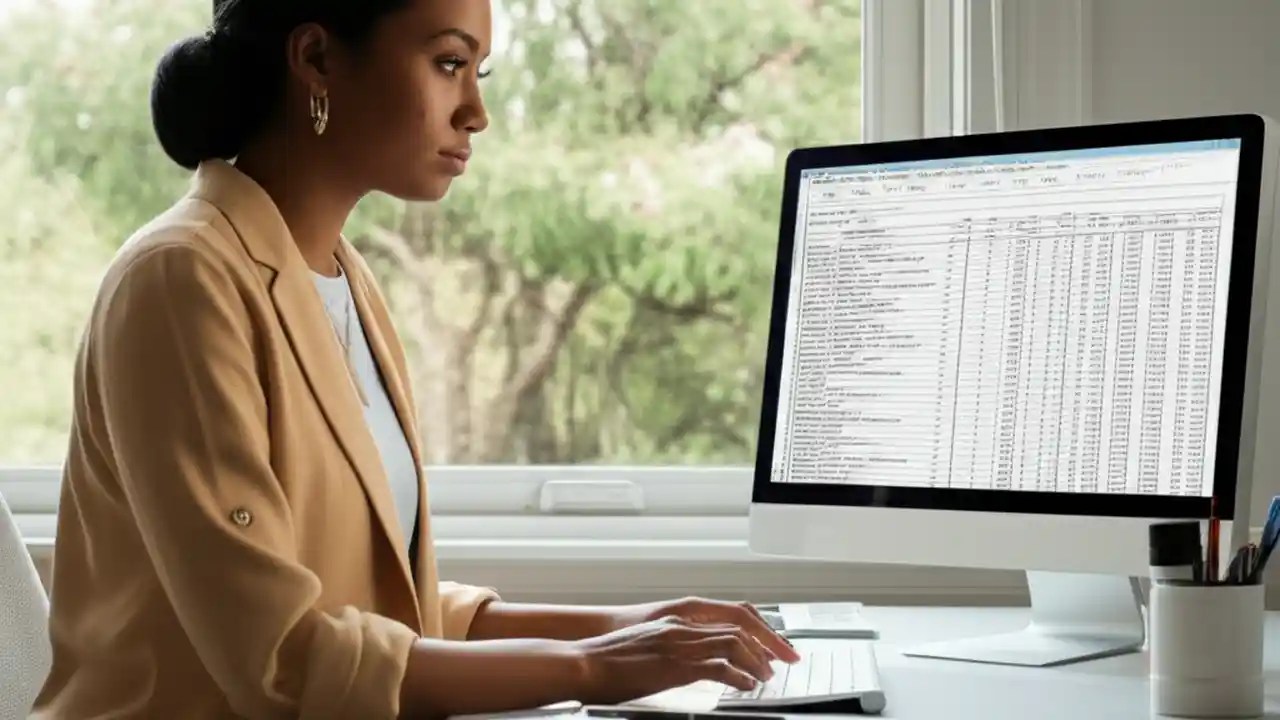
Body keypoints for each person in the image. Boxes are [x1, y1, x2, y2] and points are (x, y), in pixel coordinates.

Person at [30, 0, 800, 718]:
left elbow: (376, 611)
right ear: (318, 59)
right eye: (448, 63)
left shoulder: (342, 276)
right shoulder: (181, 279)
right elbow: (281, 658)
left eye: (479, 71)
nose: (477, 111)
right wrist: (594, 666)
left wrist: (629, 623)